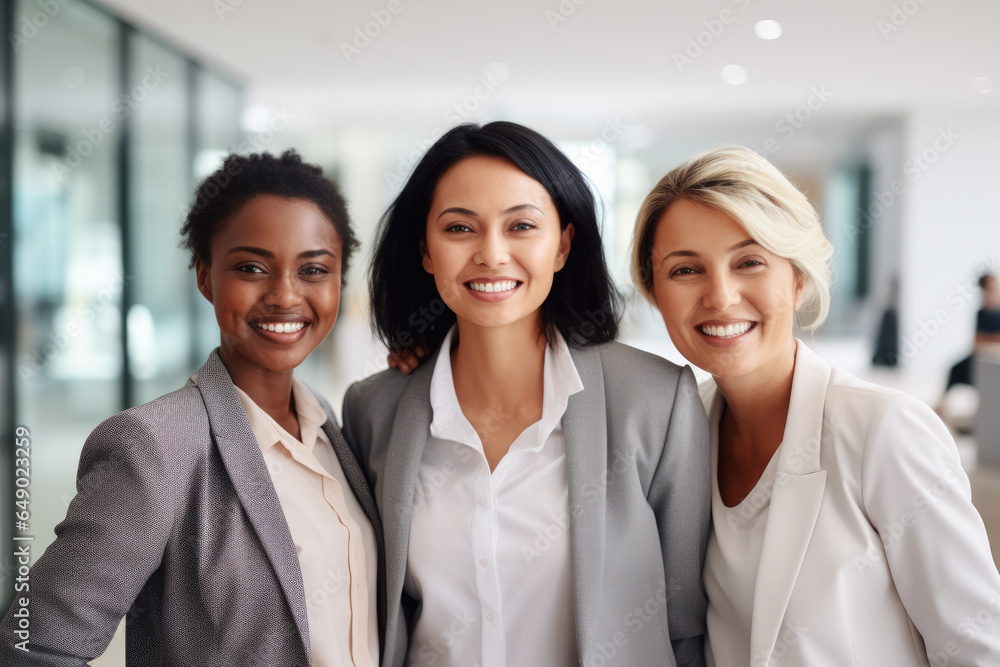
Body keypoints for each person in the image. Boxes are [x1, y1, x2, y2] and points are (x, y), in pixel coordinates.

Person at [342, 121, 710, 667]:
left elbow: (687, 628)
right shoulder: (374, 410)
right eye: (460, 229)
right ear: (425, 250)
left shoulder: (654, 400)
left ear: (562, 245)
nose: (491, 254)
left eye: (521, 226)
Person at [0, 150, 385, 666]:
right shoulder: (156, 446)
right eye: (251, 267)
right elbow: (32, 645)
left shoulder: (328, 426)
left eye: (313, 269)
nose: (285, 295)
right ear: (205, 276)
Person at [630, 145, 1000, 666]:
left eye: (750, 262)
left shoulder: (883, 429)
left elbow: (978, 646)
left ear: (798, 278)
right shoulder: (678, 434)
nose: (720, 296)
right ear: (653, 290)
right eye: (685, 270)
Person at [946, 272, 1000, 389]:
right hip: (982, 354)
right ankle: (942, 403)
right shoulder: (981, 313)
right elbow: (976, 343)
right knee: (955, 369)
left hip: (994, 355)